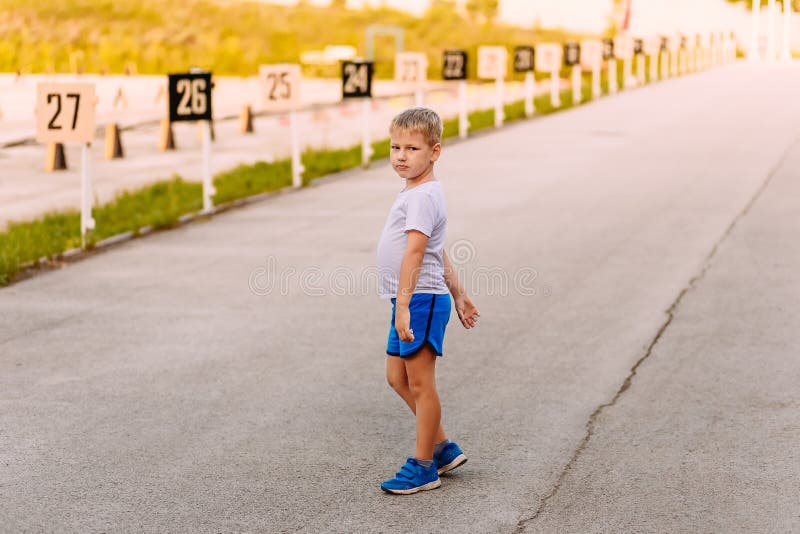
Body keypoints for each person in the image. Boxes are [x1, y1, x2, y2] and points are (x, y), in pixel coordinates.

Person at [376, 107, 480, 495]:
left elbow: (419, 254)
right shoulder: (416, 192)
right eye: (395, 147)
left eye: (412, 148)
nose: (401, 156)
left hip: (418, 299)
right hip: (412, 299)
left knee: (420, 383)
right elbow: (439, 252)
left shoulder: (422, 196)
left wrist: (403, 305)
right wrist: (461, 293)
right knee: (396, 377)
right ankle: (443, 447)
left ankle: (423, 466)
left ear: (435, 152)